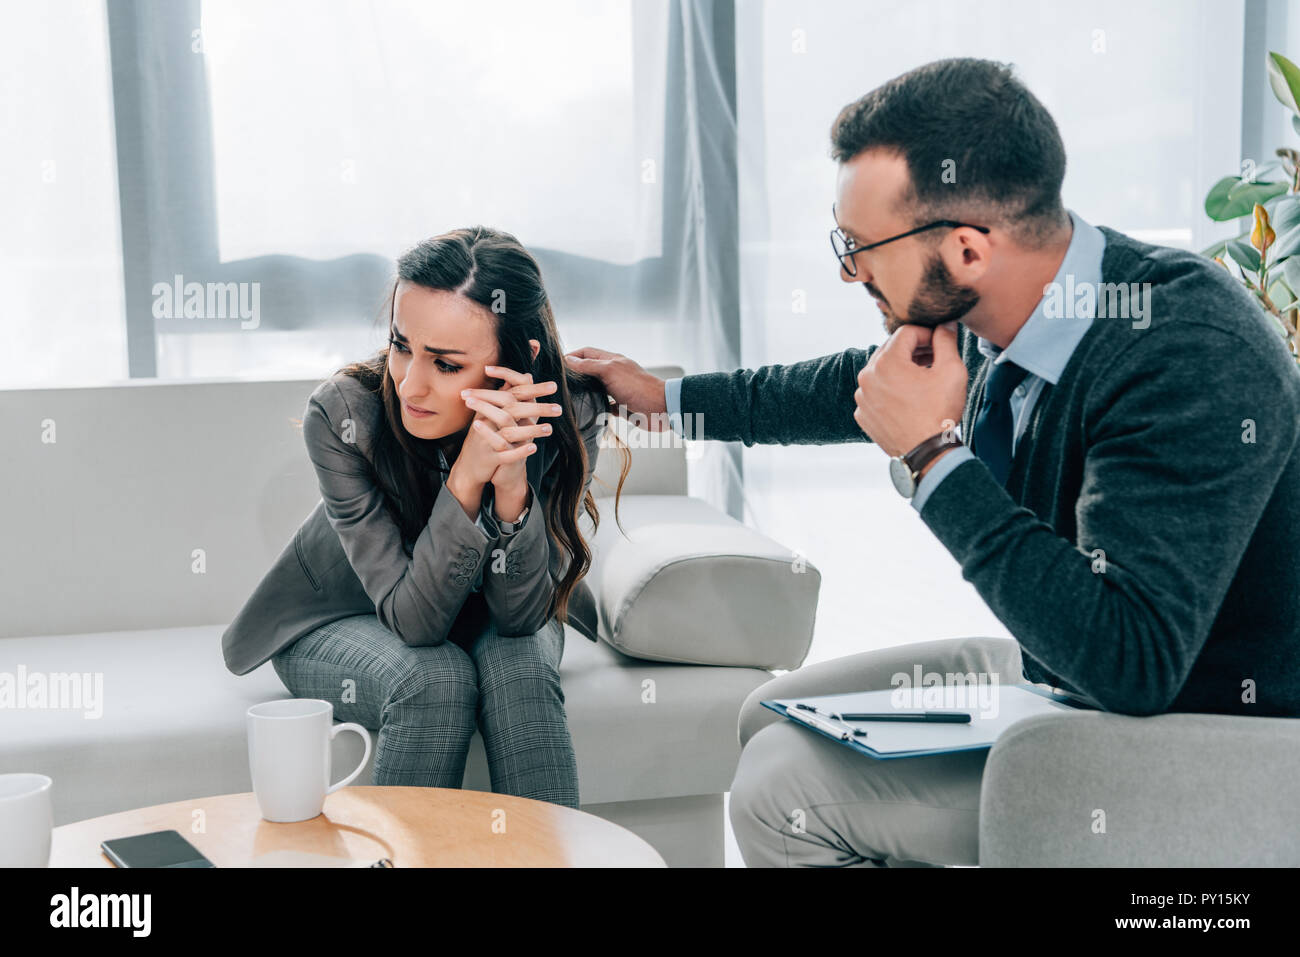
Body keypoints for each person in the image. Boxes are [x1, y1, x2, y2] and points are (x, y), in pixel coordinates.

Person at [565, 57, 1300, 864]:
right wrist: (665, 401)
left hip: (1211, 740)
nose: (849, 271)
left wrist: (932, 456)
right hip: (1066, 678)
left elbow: (1132, 661)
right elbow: (847, 385)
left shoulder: (1188, 353)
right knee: (766, 716)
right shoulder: (1016, 305)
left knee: (782, 795)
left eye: (860, 246)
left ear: (968, 249)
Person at [222, 226, 627, 809]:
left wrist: (511, 486)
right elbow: (416, 626)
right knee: (433, 677)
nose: (410, 384)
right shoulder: (344, 414)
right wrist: (466, 479)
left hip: (490, 614)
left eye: (445, 363)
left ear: (521, 359)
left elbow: (519, 618)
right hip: (338, 618)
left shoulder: (571, 411)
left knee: (519, 667)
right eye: (401, 345)